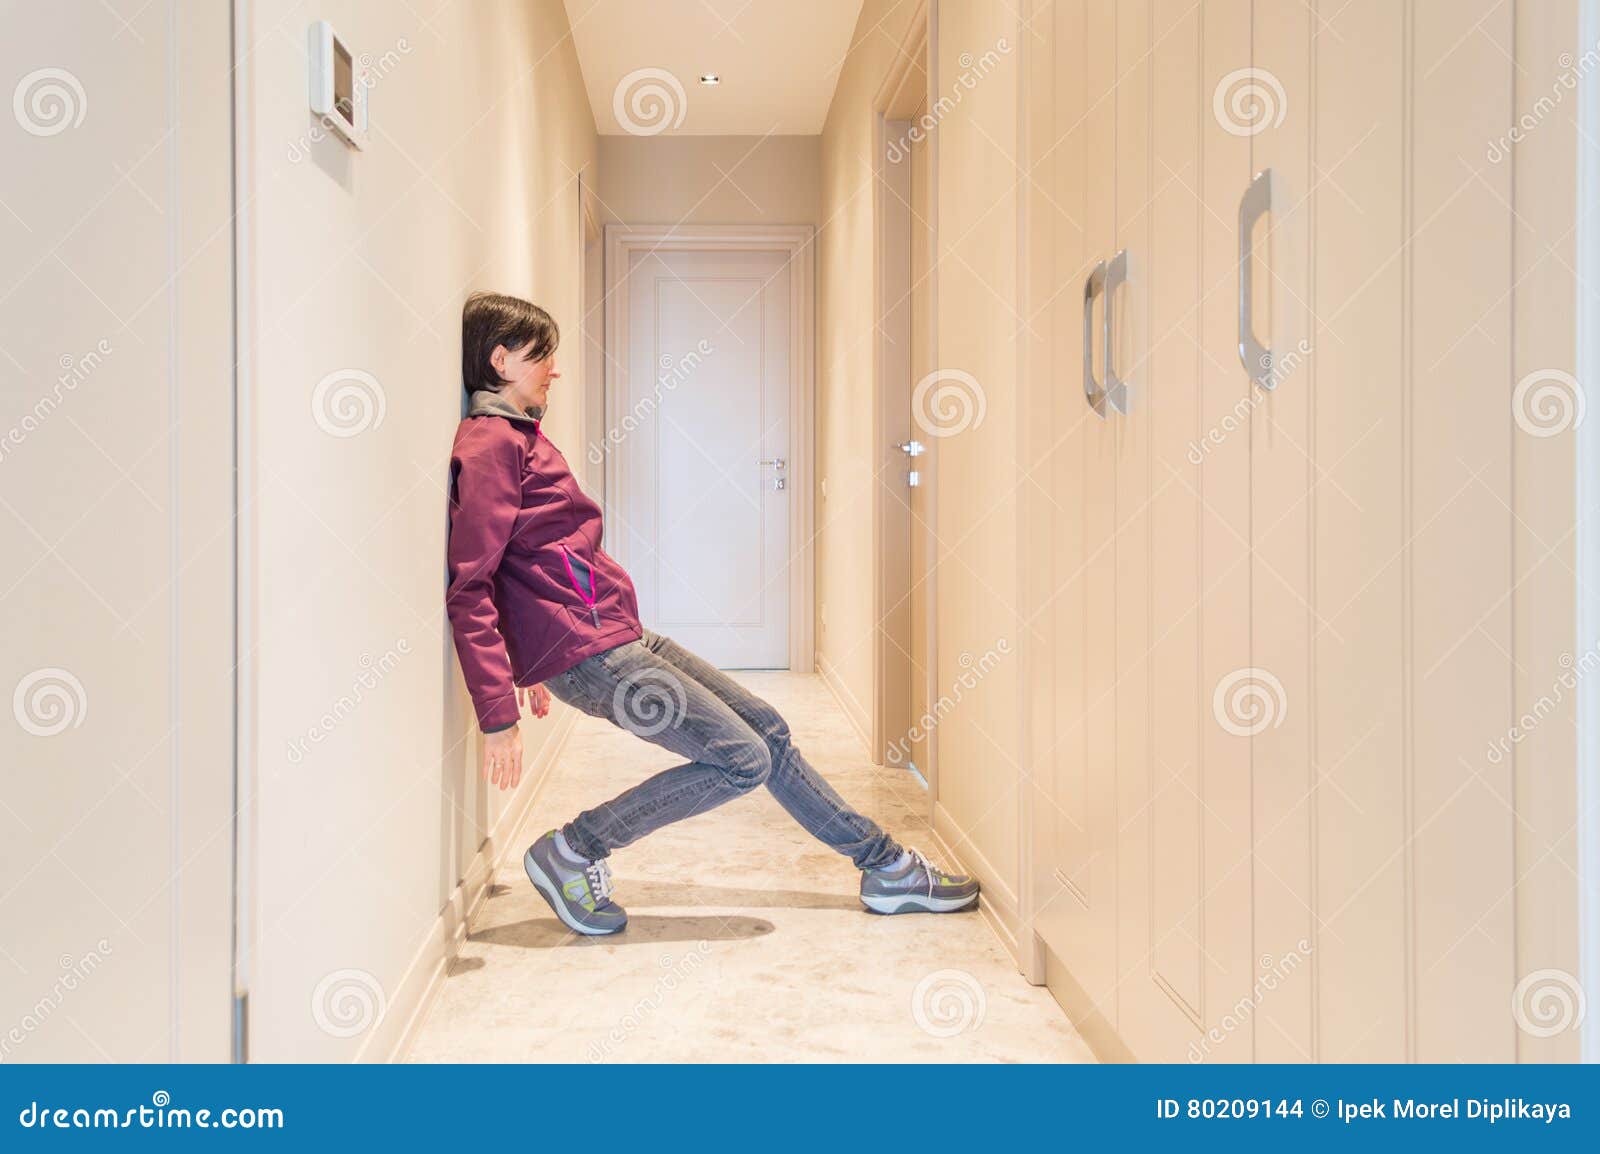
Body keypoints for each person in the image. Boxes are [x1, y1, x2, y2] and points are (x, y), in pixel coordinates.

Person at [445, 292, 979, 936]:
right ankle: (574, 850)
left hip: (614, 633)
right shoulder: (489, 447)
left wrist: (526, 656)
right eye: (542, 356)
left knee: (768, 731)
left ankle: (885, 867)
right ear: (500, 360)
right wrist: (499, 705)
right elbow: (470, 582)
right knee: (741, 760)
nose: (554, 369)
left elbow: (529, 559)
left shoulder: (520, 436)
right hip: (589, 651)